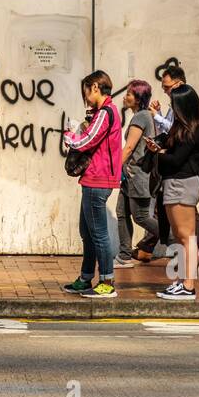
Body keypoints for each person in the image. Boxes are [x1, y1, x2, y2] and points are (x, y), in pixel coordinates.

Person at [62, 71, 123, 299]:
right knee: (86, 231)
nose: (86, 98)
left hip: (99, 179)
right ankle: (86, 276)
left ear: (95, 87)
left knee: (98, 234)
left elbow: (89, 140)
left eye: (86, 92)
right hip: (92, 178)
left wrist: (70, 137)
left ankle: (107, 280)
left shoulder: (106, 112)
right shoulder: (101, 112)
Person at [145, 83, 199, 301]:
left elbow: (175, 160)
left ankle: (188, 286)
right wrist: (161, 150)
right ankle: (183, 281)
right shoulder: (186, 127)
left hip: (182, 183)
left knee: (186, 237)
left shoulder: (193, 130)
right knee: (182, 237)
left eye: (174, 104)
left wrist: (160, 153)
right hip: (177, 183)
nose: (172, 107)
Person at [114, 80, 157, 267]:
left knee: (140, 217)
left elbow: (130, 147)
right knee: (121, 212)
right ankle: (124, 256)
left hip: (137, 175)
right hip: (129, 175)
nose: (125, 97)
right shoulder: (145, 115)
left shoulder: (140, 117)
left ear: (138, 98)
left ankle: (179, 238)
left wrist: (113, 169)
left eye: (130, 94)